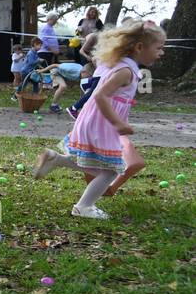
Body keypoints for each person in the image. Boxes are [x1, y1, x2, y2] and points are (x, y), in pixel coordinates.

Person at [33, 20, 166, 219]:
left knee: (97, 164)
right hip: (102, 122)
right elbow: (100, 95)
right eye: (159, 47)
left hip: (93, 118)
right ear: (139, 47)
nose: (162, 52)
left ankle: (56, 159)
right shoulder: (125, 71)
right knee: (112, 170)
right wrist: (118, 123)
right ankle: (84, 206)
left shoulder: (114, 63)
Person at [69, 28, 102, 118]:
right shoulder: (93, 37)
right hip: (87, 59)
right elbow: (81, 51)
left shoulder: (103, 42)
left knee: (95, 84)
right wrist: (88, 57)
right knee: (90, 81)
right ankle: (78, 107)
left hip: (95, 60)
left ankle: (82, 107)